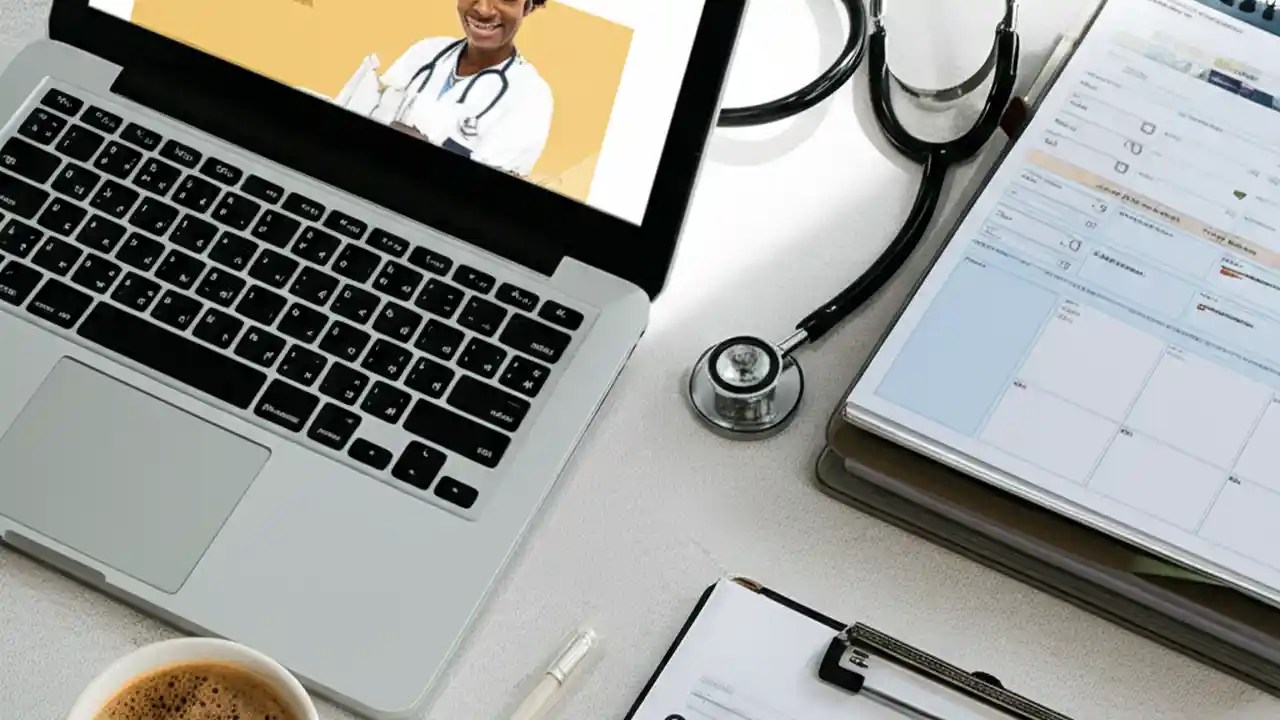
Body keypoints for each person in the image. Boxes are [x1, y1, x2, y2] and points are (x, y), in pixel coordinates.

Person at [355, 0, 555, 178]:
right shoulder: (426, 51)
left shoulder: (531, 95)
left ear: (528, 6)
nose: (483, 9)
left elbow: (491, 190)